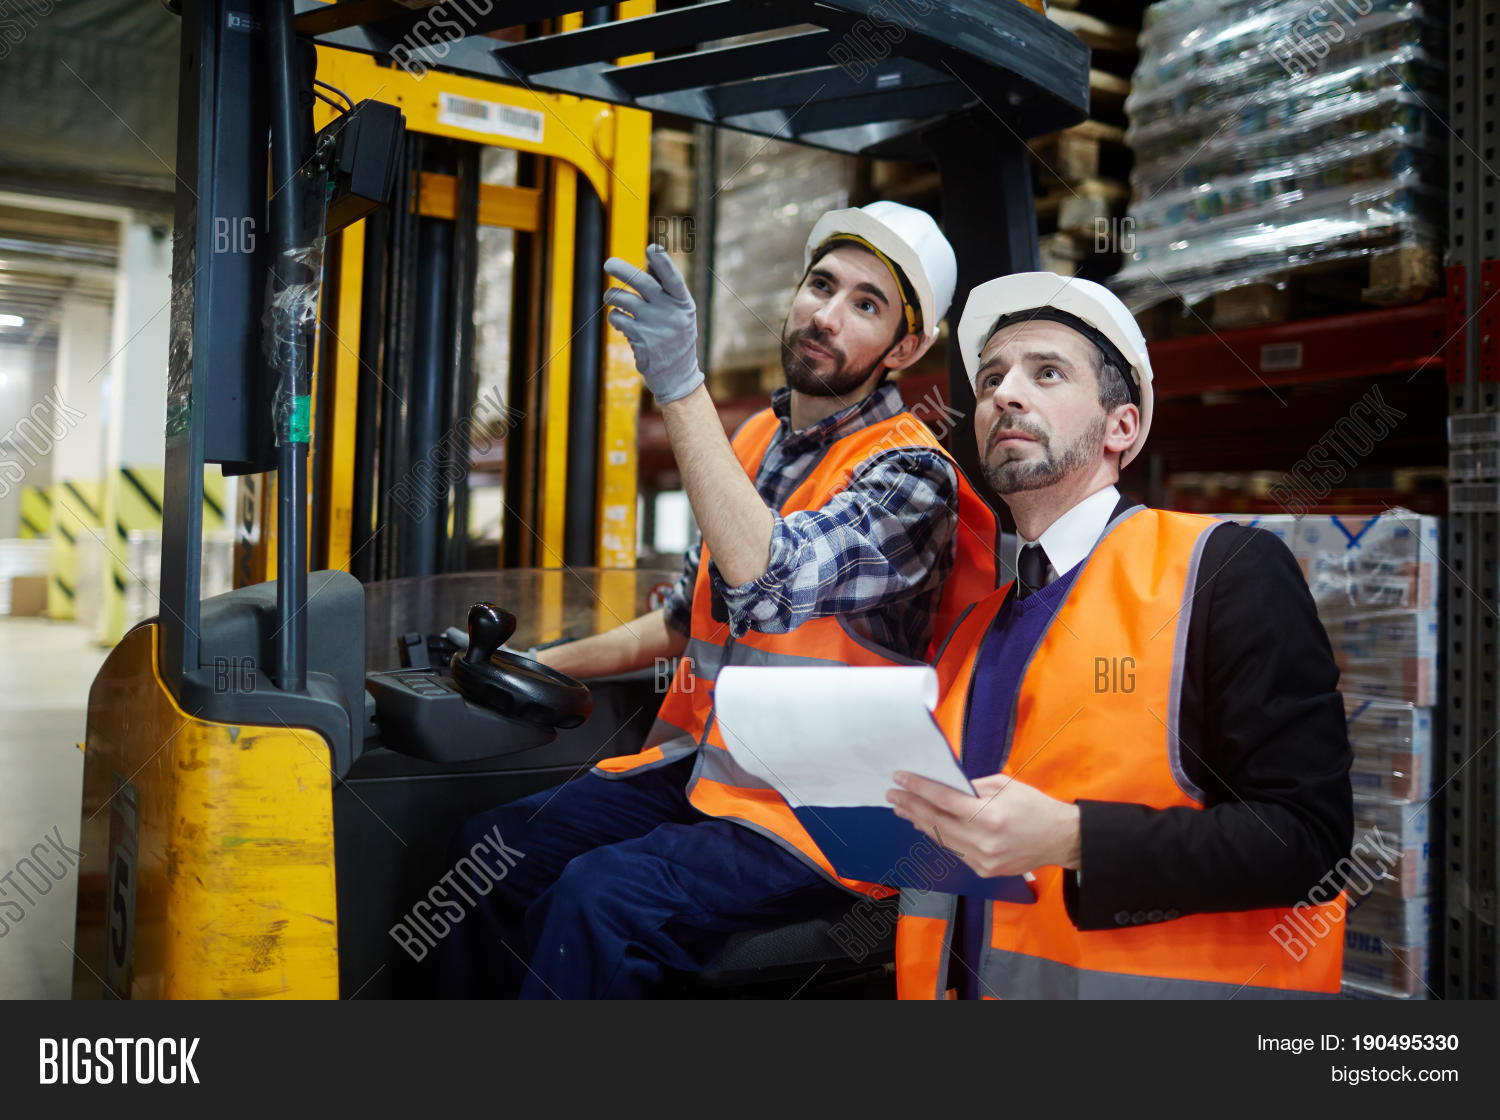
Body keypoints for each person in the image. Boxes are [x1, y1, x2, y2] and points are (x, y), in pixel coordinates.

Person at [441, 202, 998, 998]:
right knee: (486, 853)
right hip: (711, 776)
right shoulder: (749, 445)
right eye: (822, 285)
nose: (827, 316)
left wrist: (679, 385)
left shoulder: (911, 479)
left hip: (829, 816)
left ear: (904, 348)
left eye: (865, 305)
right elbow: (681, 616)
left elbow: (769, 586)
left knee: (600, 901)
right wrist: (522, 664)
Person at [885, 272, 1354, 999]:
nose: (1005, 394)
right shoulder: (972, 631)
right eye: (990, 379)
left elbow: (1309, 843)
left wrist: (1076, 839)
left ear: (1121, 428)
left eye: (1046, 373)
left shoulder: (1223, 570)